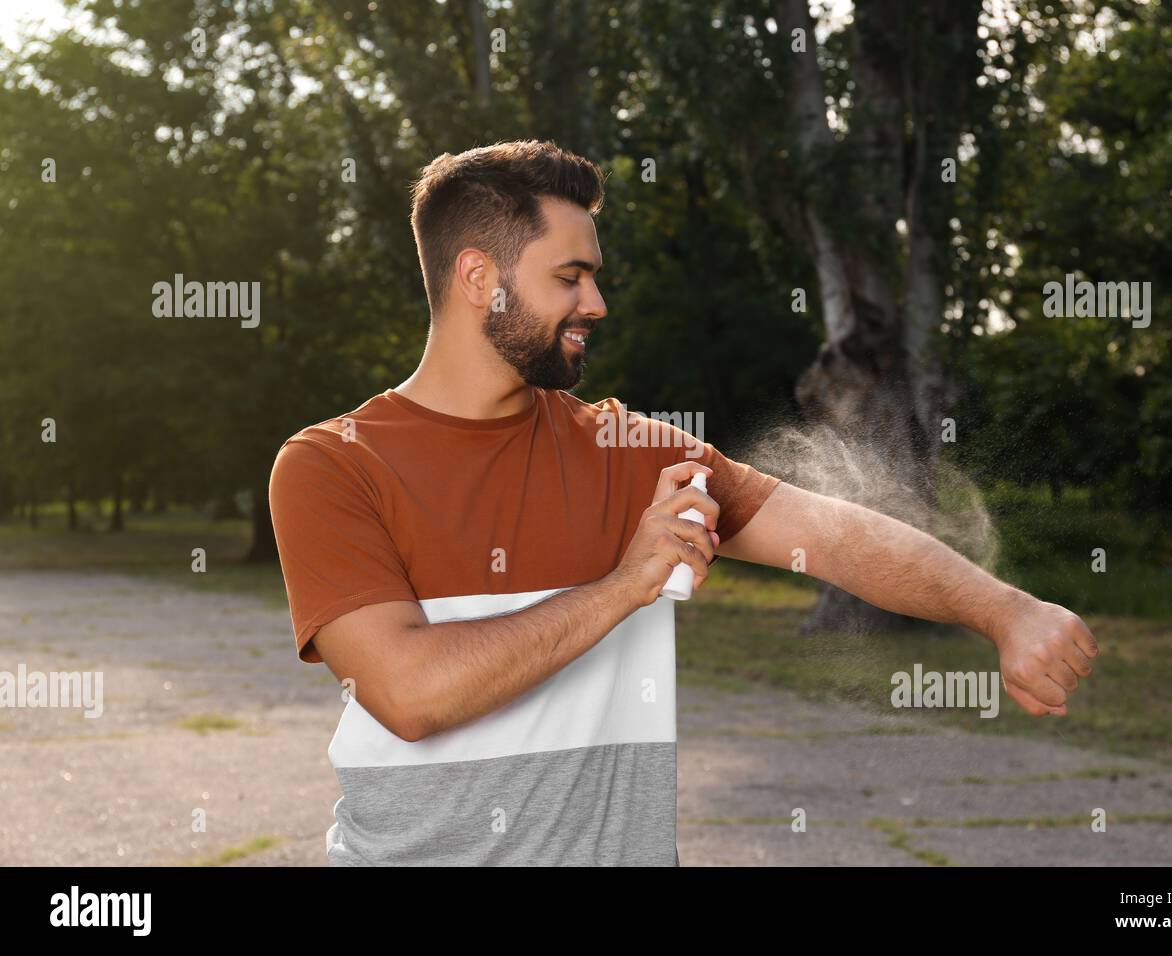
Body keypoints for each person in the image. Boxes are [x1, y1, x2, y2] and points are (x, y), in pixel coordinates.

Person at [268, 139, 1098, 867]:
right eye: (571, 276)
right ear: (478, 277)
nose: (595, 303)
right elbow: (411, 696)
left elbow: (835, 537)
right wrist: (626, 584)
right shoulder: (332, 467)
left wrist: (1005, 610)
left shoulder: (633, 453)